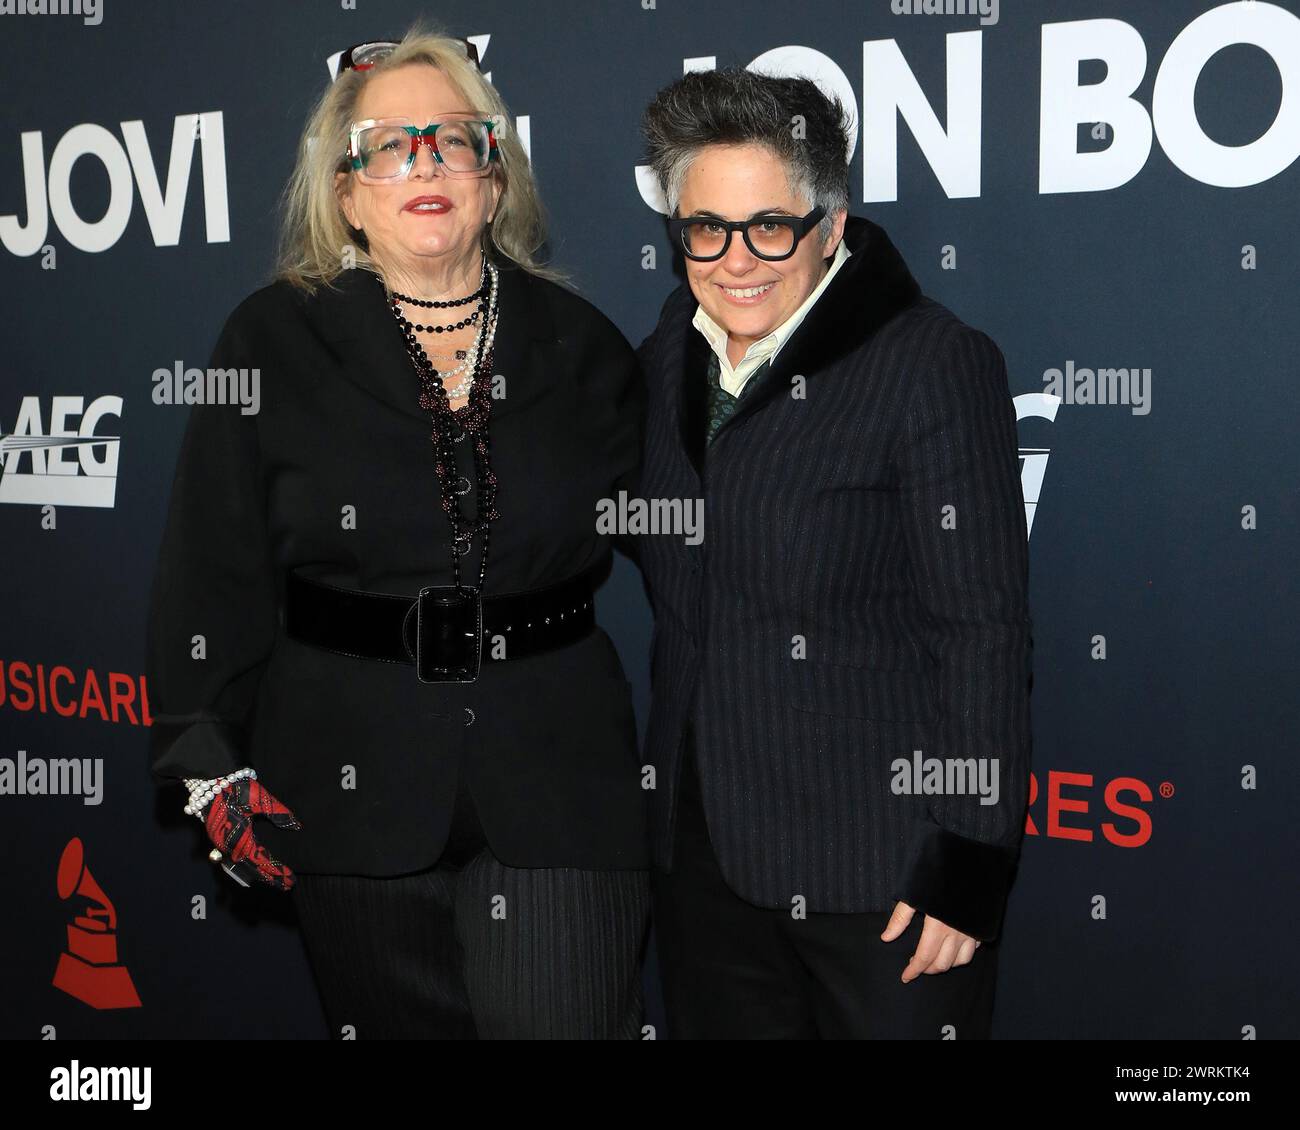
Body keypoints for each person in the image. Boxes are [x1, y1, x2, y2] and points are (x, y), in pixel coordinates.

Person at [145, 28, 649, 1040]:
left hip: (559, 779)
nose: (423, 160)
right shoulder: (270, 340)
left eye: (453, 139)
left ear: (494, 182)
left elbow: (695, 547)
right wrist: (209, 765)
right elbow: (210, 570)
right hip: (343, 782)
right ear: (345, 193)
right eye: (387, 143)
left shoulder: (582, 344)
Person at [634, 67, 1033, 1039]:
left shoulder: (929, 362)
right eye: (705, 228)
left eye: (770, 225)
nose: (736, 259)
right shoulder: (658, 367)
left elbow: (980, 627)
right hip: (706, 865)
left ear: (831, 222)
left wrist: (965, 862)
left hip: (882, 876)